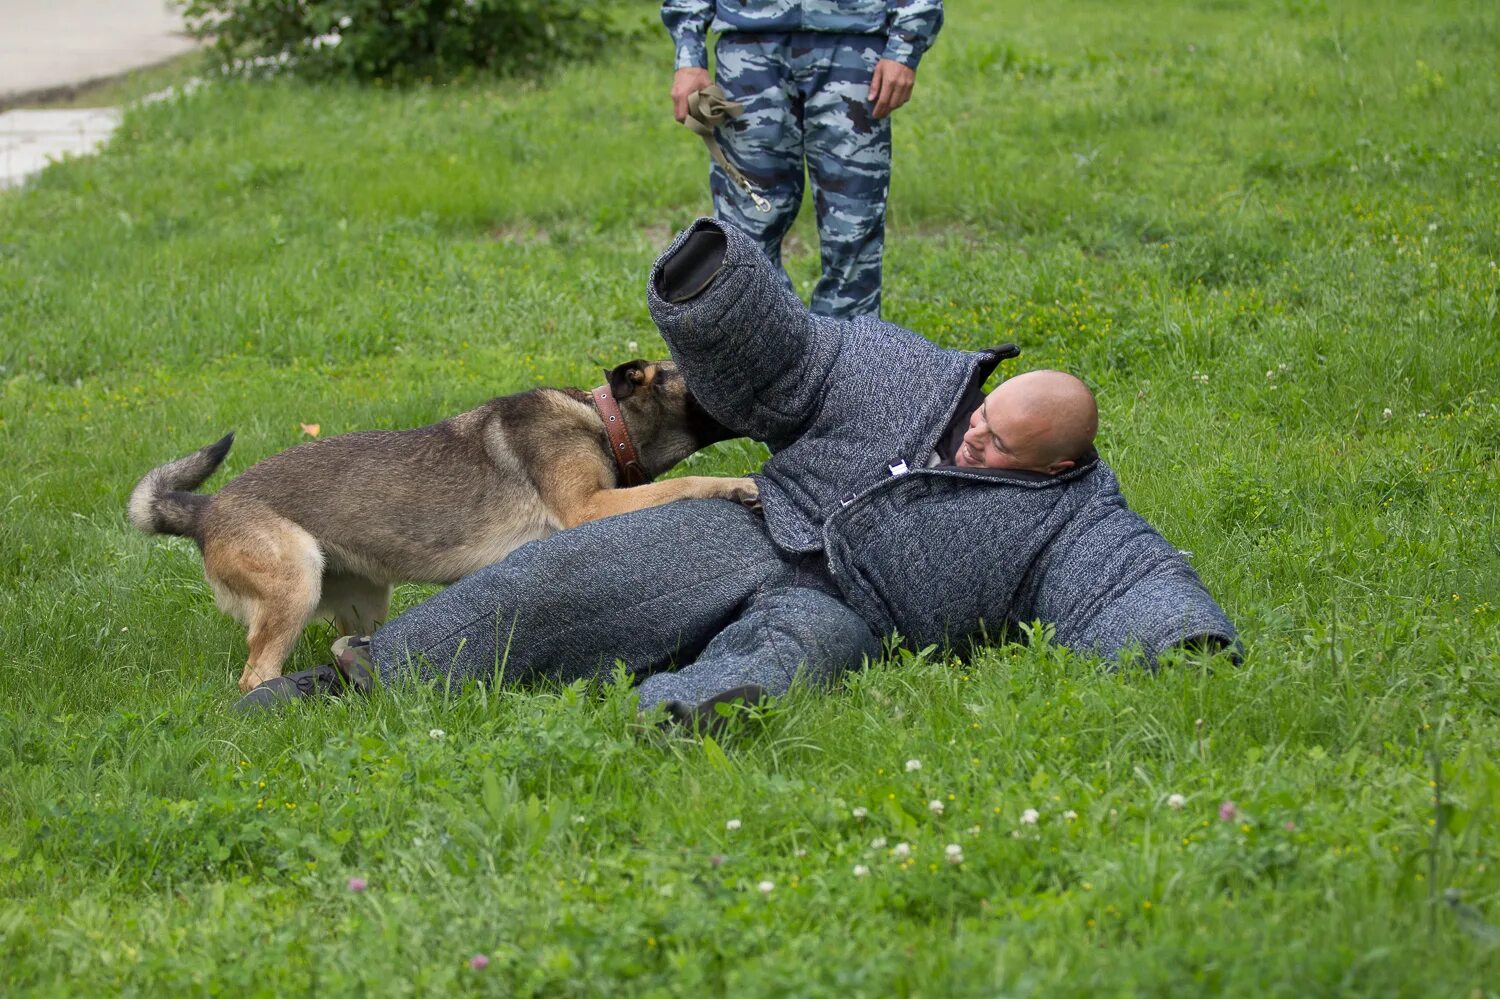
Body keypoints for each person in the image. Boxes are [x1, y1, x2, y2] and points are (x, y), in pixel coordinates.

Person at [236, 219, 1238, 722]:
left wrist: (1180, 638)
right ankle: (360, 681)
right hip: (751, 523)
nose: (970, 441)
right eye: (979, 425)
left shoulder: (1077, 518)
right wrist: (713, 286)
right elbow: (791, 354)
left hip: (859, 605)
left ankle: (697, 711)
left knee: (794, 656)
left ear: (1056, 461)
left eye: (994, 451)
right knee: (555, 578)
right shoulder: (909, 375)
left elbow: (1131, 578)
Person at [664, 0, 945, 320]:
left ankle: (847, 365)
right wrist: (688, 55)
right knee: (745, 235)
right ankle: (767, 357)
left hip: (853, 44)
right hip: (748, 47)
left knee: (852, 233)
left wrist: (906, 43)